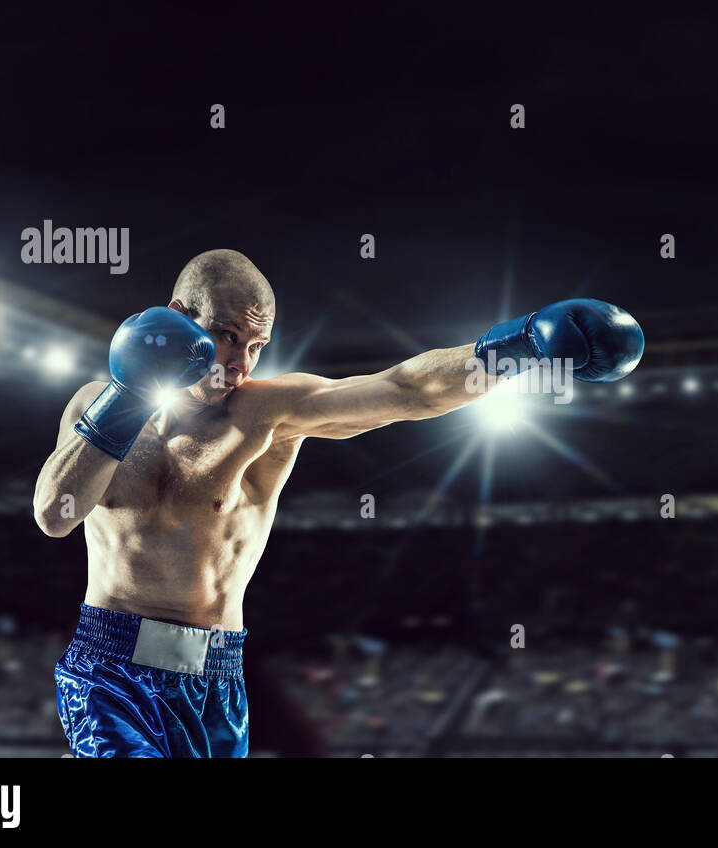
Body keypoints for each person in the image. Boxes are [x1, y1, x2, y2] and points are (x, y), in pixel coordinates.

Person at [34, 249, 644, 757]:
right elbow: (54, 515)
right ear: (178, 319)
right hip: (108, 669)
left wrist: (522, 346)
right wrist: (124, 395)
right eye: (225, 336)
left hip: (214, 675)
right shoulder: (95, 400)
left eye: (257, 345)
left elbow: (405, 391)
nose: (240, 363)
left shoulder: (269, 411)